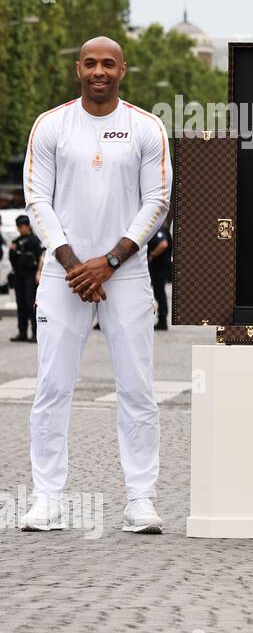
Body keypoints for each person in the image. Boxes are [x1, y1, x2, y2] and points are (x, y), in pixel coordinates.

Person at [19, 36, 172, 533]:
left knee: (138, 390)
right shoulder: (51, 125)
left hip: (125, 275)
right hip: (63, 277)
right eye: (90, 63)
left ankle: (141, 500)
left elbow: (158, 202)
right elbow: (38, 199)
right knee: (52, 387)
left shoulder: (147, 127)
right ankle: (47, 499)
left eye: (109, 63)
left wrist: (108, 261)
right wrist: (73, 264)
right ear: (77, 69)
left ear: (123, 69)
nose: (99, 71)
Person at [8, 214, 43, 342]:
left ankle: (35, 333)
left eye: (22, 226)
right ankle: (22, 332)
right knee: (21, 304)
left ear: (27, 226)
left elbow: (41, 257)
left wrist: (38, 273)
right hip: (19, 276)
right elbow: (12, 259)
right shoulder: (16, 242)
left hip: (30, 276)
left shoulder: (35, 240)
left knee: (31, 305)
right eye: (18, 226)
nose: (20, 229)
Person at [146, 223, 171, 331]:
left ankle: (162, 320)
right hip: (158, 267)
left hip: (159, 267)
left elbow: (163, 244)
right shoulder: (158, 228)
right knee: (158, 292)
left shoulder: (157, 228)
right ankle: (161, 319)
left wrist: (151, 255)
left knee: (159, 292)